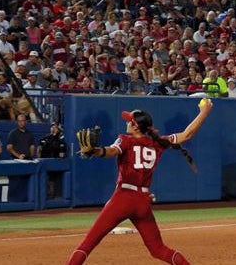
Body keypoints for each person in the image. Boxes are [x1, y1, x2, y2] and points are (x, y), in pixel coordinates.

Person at [67, 102, 213, 264]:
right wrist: (204, 112)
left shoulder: (125, 140)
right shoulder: (158, 143)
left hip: (123, 198)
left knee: (88, 244)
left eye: (130, 121)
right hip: (143, 201)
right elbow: (187, 135)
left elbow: (111, 151)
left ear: (136, 127)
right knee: (158, 249)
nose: (127, 123)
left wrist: (96, 151)